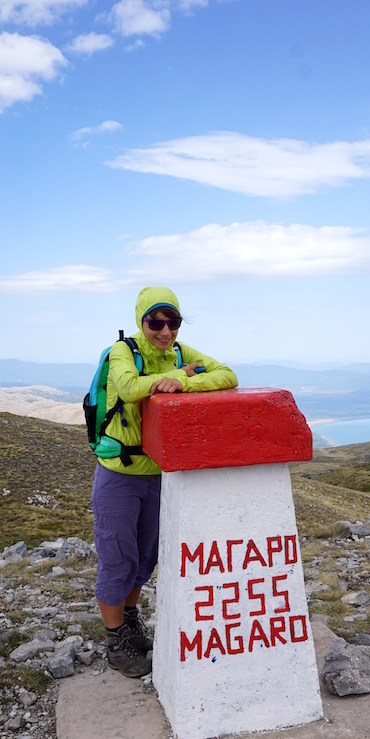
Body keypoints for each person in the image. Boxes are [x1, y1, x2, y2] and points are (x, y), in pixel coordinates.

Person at [91, 285, 238, 677]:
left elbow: (228, 375)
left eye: (172, 322)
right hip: (119, 475)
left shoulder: (181, 351)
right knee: (116, 558)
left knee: (144, 557)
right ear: (142, 321)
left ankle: (131, 619)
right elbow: (128, 388)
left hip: (158, 475)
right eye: (156, 322)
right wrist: (176, 375)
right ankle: (115, 638)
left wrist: (186, 381)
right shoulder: (125, 351)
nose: (165, 331)